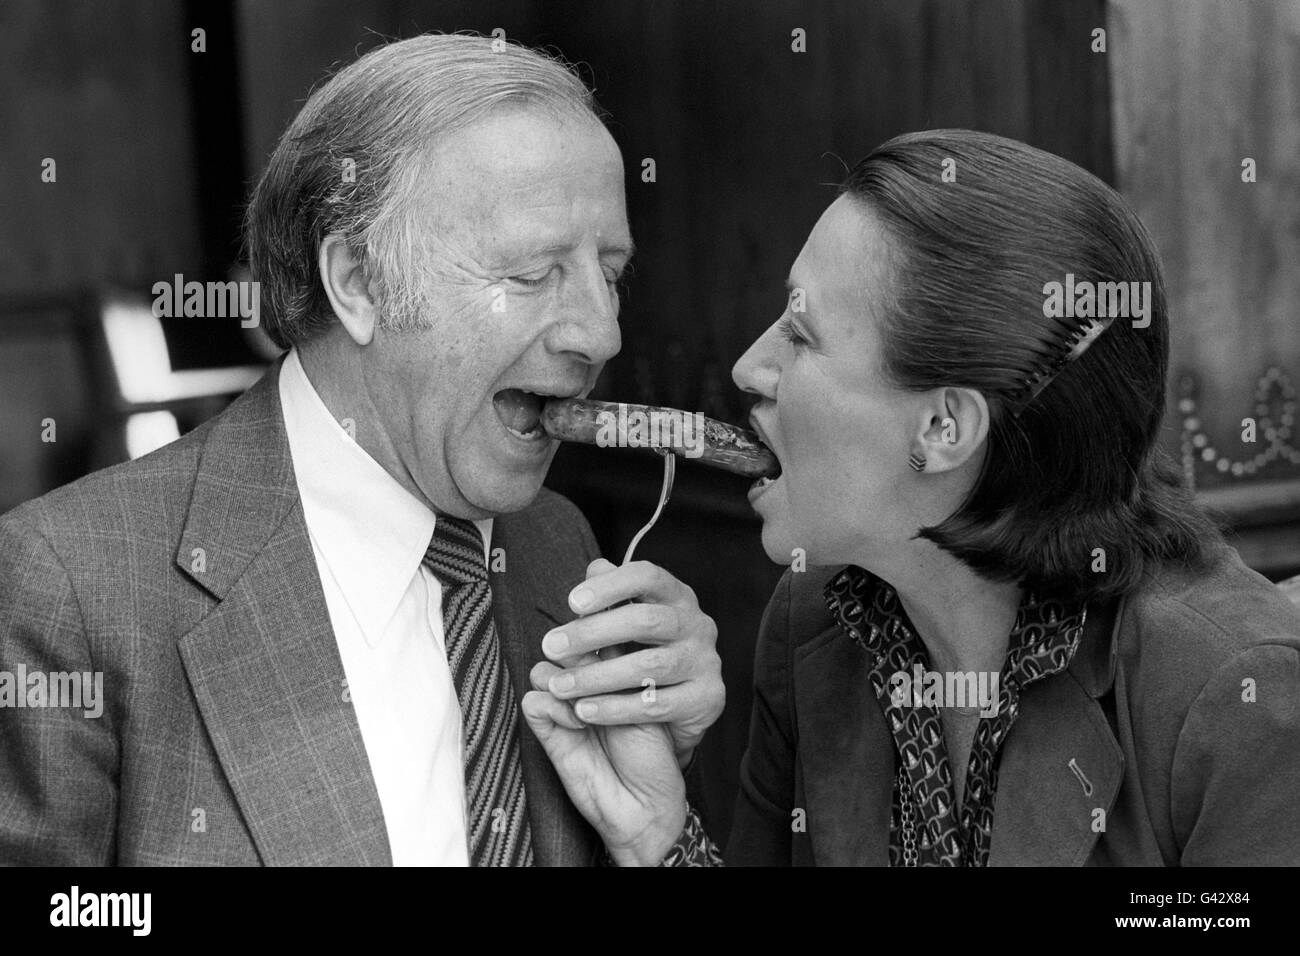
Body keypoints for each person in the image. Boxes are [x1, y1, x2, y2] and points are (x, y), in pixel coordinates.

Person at [0, 34, 723, 867]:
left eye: (612, 273)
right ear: (359, 283)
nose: (603, 333)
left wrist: (658, 842)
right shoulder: (68, 592)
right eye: (533, 274)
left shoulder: (563, 550)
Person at [523, 129, 1300, 865]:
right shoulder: (809, 628)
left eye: (801, 336)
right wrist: (658, 839)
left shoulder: (1232, 697)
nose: (749, 368)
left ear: (942, 426)